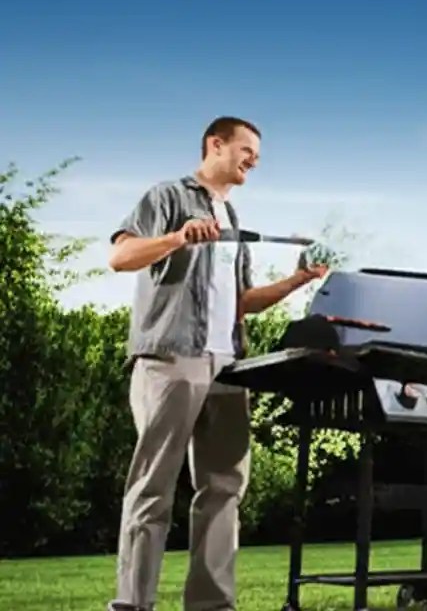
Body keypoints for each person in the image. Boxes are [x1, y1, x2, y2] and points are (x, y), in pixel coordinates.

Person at [106, 116, 328, 611]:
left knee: (225, 487)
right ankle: (133, 604)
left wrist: (297, 281)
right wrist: (178, 238)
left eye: (257, 155)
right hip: (171, 359)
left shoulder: (232, 217)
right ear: (216, 144)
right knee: (153, 485)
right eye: (247, 150)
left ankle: (211, 604)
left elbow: (241, 300)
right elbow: (120, 257)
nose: (254, 160)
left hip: (229, 365)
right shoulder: (166, 196)